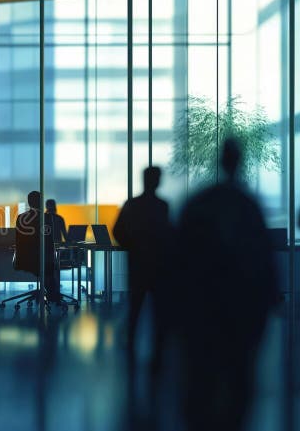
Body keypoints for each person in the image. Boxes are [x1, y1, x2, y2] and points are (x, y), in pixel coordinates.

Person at [177, 139, 278, 431]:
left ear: (219, 161)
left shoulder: (199, 203)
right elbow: (263, 259)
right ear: (239, 161)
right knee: (239, 379)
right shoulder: (248, 206)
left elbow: (180, 260)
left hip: (204, 307)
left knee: (200, 379)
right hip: (240, 308)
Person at [112, 167, 174, 385]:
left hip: (138, 264)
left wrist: (132, 246)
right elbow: (169, 234)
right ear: (156, 182)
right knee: (158, 310)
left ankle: (130, 348)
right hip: (158, 266)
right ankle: (158, 353)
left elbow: (117, 231)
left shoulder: (132, 205)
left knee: (136, 308)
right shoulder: (162, 206)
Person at [15, 191, 59, 303]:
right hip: (41, 261)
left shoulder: (20, 217)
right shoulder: (46, 218)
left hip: (23, 260)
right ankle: (53, 296)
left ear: (29, 203)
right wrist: (53, 260)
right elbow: (49, 242)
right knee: (51, 266)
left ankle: (51, 294)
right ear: (41, 202)